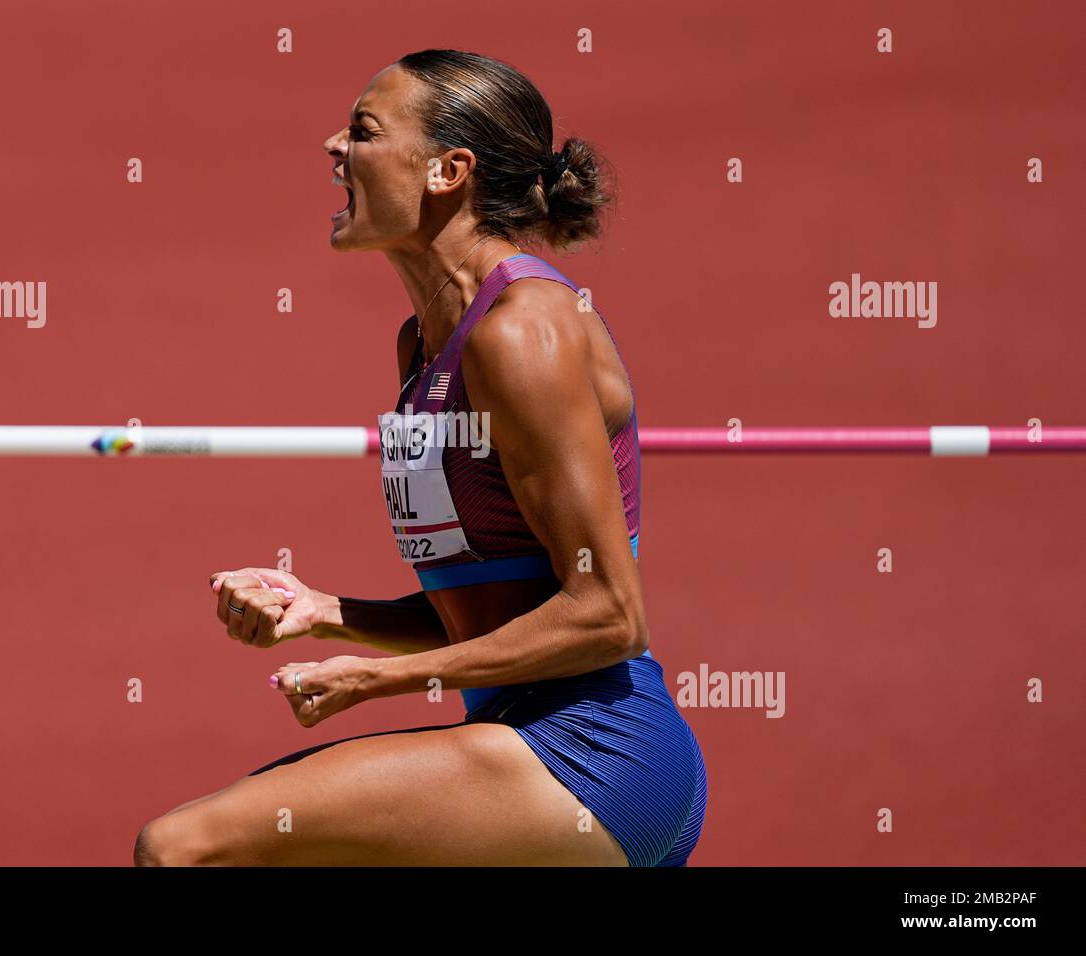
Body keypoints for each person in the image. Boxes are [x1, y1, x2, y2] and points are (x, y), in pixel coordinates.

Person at [134, 48, 706, 866]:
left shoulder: (521, 331)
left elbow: (609, 615)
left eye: (363, 132)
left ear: (448, 170)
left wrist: (373, 682)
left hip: (596, 759)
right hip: (520, 748)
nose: (334, 146)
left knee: (184, 849)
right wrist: (328, 610)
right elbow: (495, 604)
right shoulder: (423, 343)